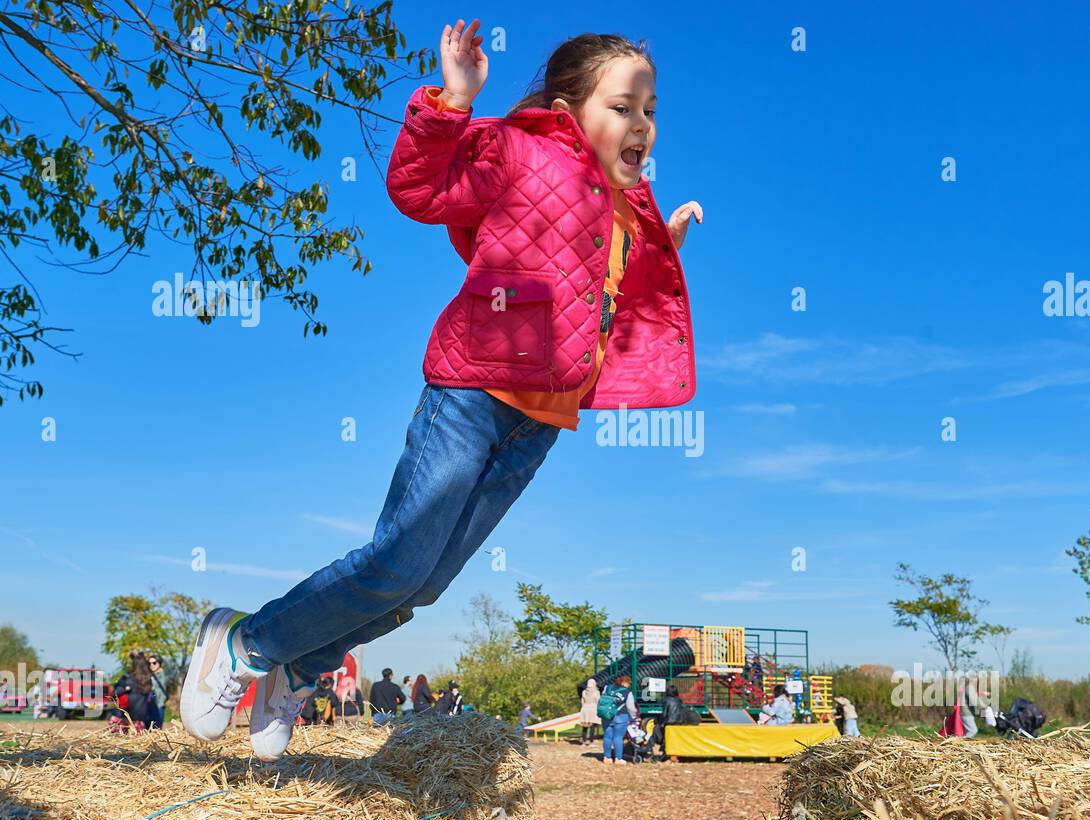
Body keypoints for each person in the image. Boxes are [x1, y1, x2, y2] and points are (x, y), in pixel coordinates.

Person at [177, 23, 701, 762]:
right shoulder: (522, 152)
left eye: (651, 110)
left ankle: (298, 663)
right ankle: (243, 640)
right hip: (472, 390)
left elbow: (603, 294)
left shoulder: (629, 210)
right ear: (568, 108)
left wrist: (662, 245)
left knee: (423, 585)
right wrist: (451, 103)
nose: (641, 124)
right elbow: (420, 188)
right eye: (623, 106)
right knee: (397, 560)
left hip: (540, 426)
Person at [602, 674, 637, 764]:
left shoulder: (607, 688)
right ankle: (618, 758)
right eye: (629, 683)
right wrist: (633, 717)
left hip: (606, 715)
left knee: (607, 737)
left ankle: (607, 757)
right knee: (618, 737)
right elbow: (631, 708)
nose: (629, 685)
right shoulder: (627, 692)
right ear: (625, 682)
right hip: (621, 716)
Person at [147, 654, 169, 726]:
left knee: (157, 729)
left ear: (159, 663)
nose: (152, 665)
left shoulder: (163, 674)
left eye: (154, 663)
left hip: (158, 705)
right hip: (148, 706)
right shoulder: (148, 675)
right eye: (149, 663)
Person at [579, 677, 601, 744]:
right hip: (593, 708)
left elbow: (582, 701)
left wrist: (584, 707)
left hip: (585, 708)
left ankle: (583, 741)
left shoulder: (584, 692)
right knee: (592, 726)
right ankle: (591, 742)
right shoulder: (597, 692)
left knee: (585, 726)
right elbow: (598, 701)